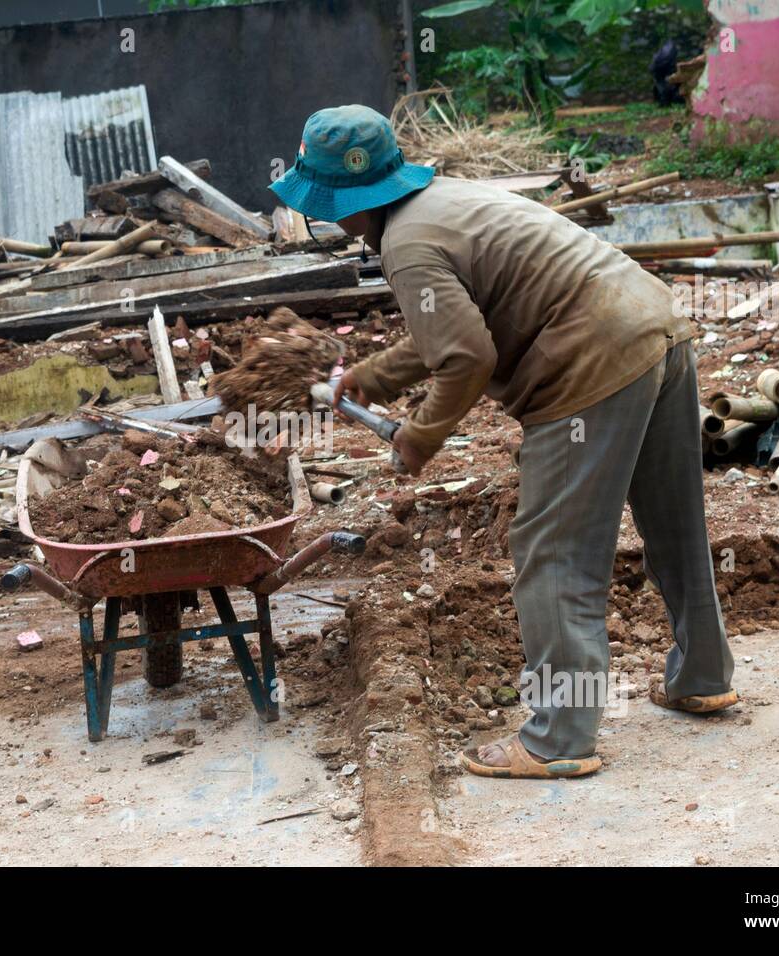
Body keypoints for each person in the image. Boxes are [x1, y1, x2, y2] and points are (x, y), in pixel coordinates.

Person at [269, 105, 736, 779]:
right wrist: (377, 375)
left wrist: (420, 436)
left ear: (342, 201)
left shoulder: (405, 246)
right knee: (675, 526)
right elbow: (461, 323)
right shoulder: (444, 203)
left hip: (590, 364)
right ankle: (703, 676)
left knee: (552, 555)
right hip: (655, 329)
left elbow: (464, 358)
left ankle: (559, 739)